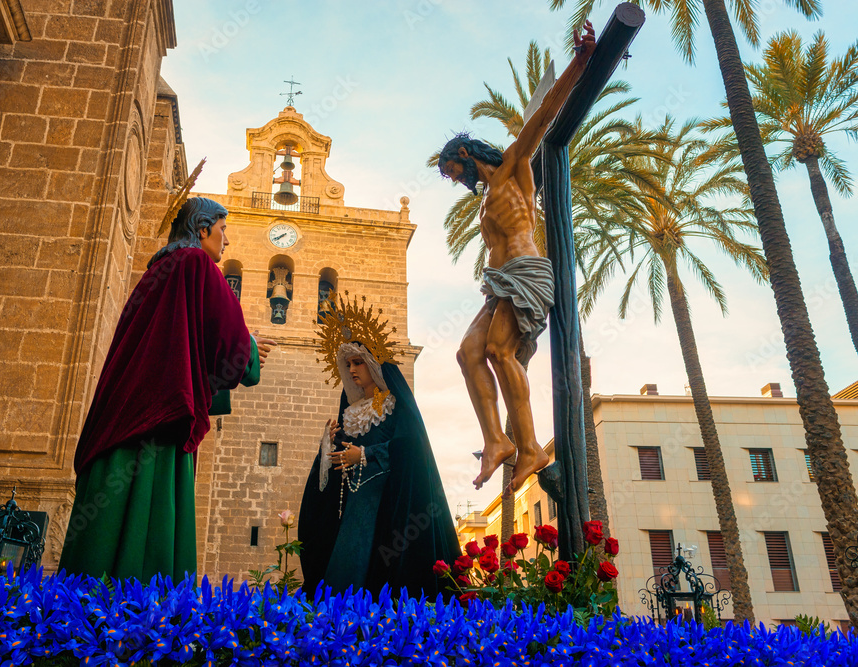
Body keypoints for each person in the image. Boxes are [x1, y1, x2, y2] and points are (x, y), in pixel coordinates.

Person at [59, 196, 275, 583]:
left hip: (120, 413)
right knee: (149, 518)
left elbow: (184, 336)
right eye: (223, 230)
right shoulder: (195, 265)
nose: (227, 243)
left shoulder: (157, 272)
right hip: (161, 419)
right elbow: (226, 335)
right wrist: (252, 348)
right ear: (203, 227)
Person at [437, 21, 596, 495]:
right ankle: (497, 441)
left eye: (452, 170)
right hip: (499, 280)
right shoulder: (486, 200)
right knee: (468, 353)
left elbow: (544, 114)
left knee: (499, 351)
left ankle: (530, 447)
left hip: (526, 271)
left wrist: (581, 62)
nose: (453, 180)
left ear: (464, 153)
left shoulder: (512, 168)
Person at [298, 293, 460, 598]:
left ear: (373, 363)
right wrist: (328, 444)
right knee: (345, 559)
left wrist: (366, 453)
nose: (354, 369)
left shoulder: (393, 404)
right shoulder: (350, 412)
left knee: (370, 562)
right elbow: (336, 461)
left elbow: (411, 447)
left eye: (358, 362)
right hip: (350, 499)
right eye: (349, 364)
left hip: (385, 497)